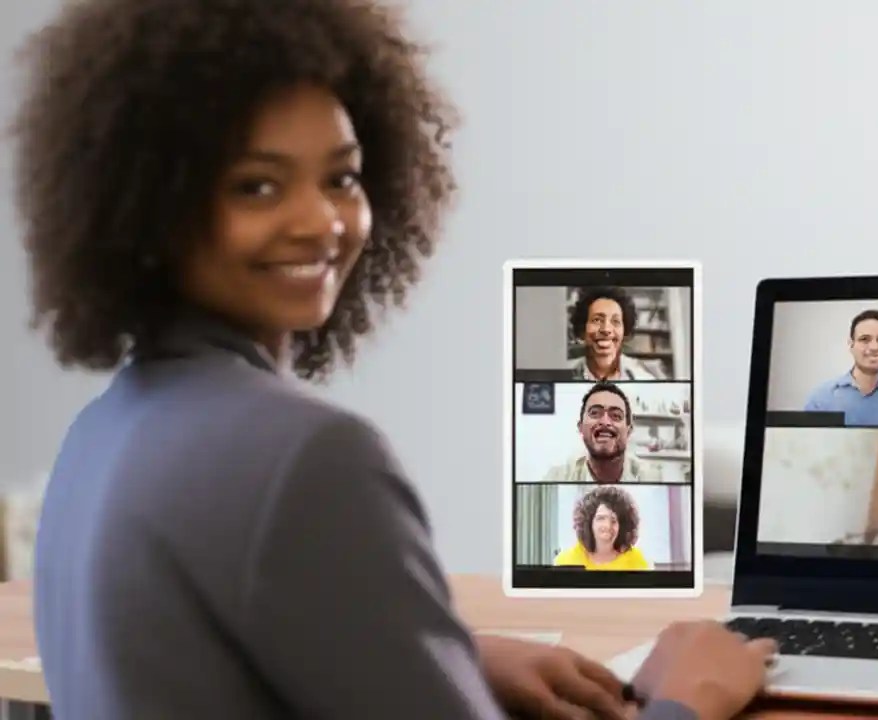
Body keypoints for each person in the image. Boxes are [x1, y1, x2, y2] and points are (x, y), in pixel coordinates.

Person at [13, 1, 774, 719]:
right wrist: (688, 699)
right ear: (155, 204)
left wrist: (451, 659)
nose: (321, 221)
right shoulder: (308, 454)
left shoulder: (102, 432)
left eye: (341, 178)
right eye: (257, 186)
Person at [541, 381, 660, 483]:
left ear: (629, 431)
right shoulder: (557, 477)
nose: (605, 422)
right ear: (580, 427)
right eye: (595, 413)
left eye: (616, 415)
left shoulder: (650, 478)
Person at [568, 286, 664, 381]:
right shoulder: (564, 376)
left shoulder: (644, 380)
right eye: (597, 320)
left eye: (615, 321)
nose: (606, 329)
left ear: (624, 331)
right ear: (582, 329)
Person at [554, 486, 653, 570]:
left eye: (614, 520)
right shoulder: (566, 561)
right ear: (588, 523)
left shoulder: (637, 561)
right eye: (601, 518)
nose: (607, 526)